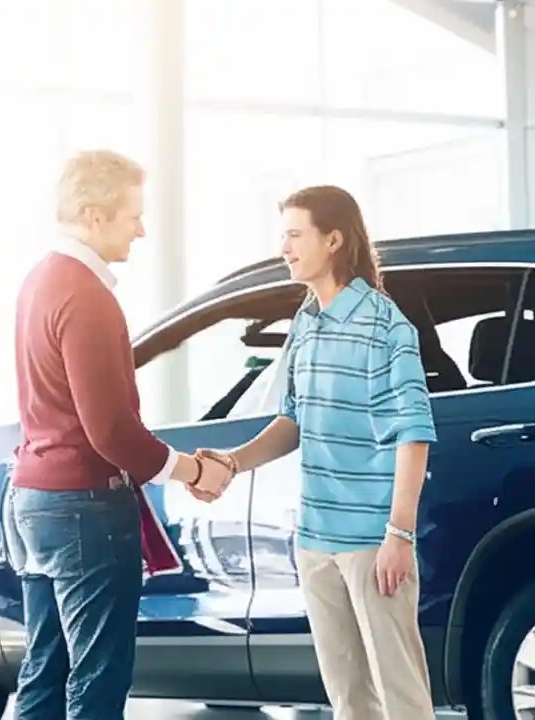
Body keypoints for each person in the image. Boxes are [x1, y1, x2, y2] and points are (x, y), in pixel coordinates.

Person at [196, 185, 437, 719]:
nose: (283, 248)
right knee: (347, 697)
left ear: (333, 240)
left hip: (372, 542)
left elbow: (413, 433)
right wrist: (233, 462)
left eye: (294, 235)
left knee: (401, 696)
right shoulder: (306, 321)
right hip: (315, 540)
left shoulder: (385, 325)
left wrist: (399, 535)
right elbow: (293, 421)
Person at [7, 149, 220, 720]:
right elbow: (108, 430)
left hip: (36, 497)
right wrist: (191, 470)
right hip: (83, 506)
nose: (141, 230)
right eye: (133, 216)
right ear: (94, 215)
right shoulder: (84, 294)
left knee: (45, 670)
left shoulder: (39, 280)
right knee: (98, 678)